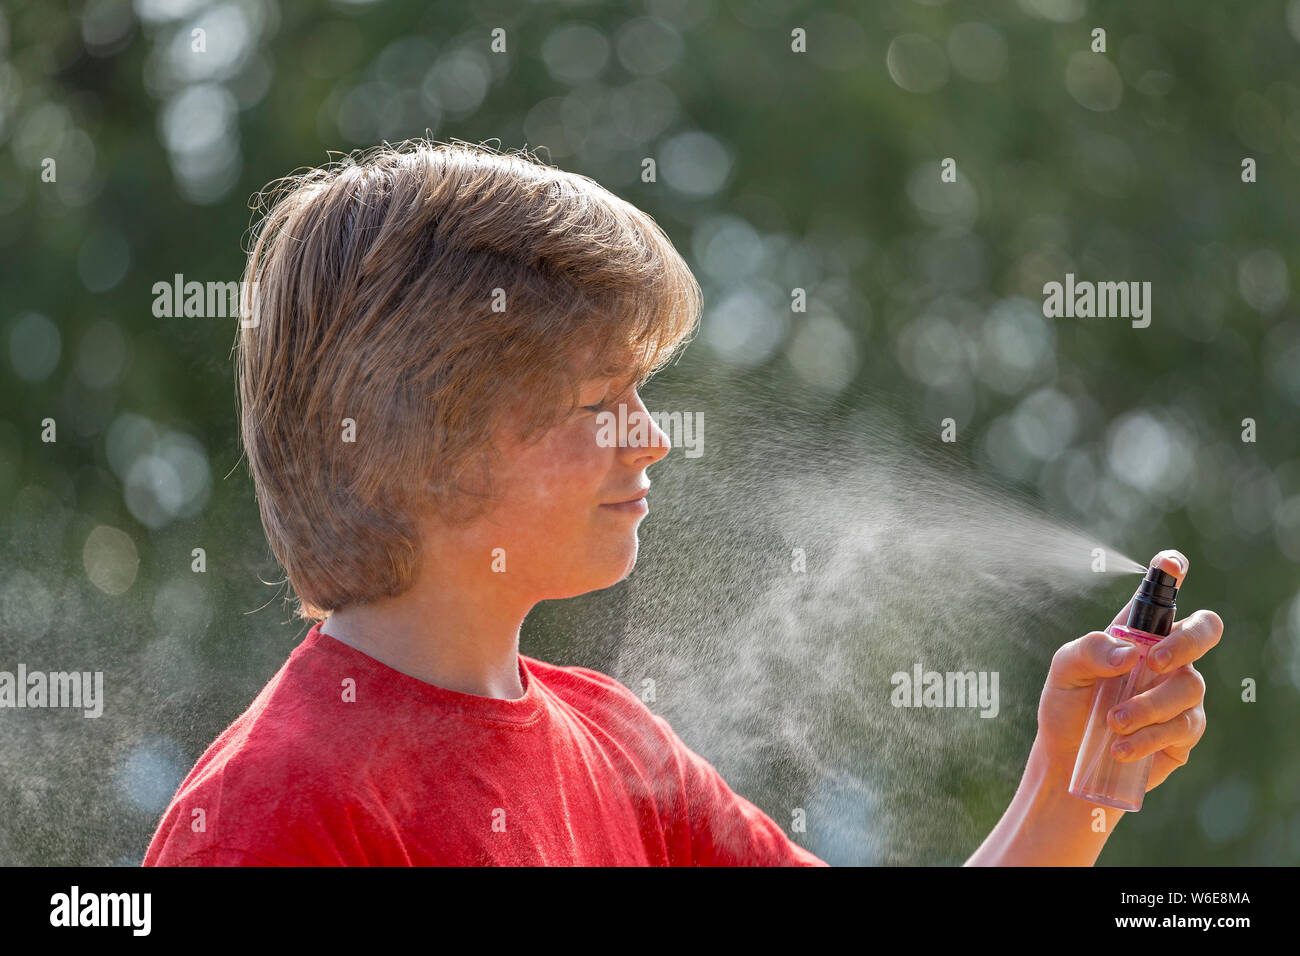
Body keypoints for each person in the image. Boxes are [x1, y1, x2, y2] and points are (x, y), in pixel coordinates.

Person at [143, 141, 1222, 866]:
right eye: (595, 399)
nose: (652, 433)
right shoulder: (277, 806)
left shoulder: (618, 743)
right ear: (427, 434)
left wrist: (1070, 781)